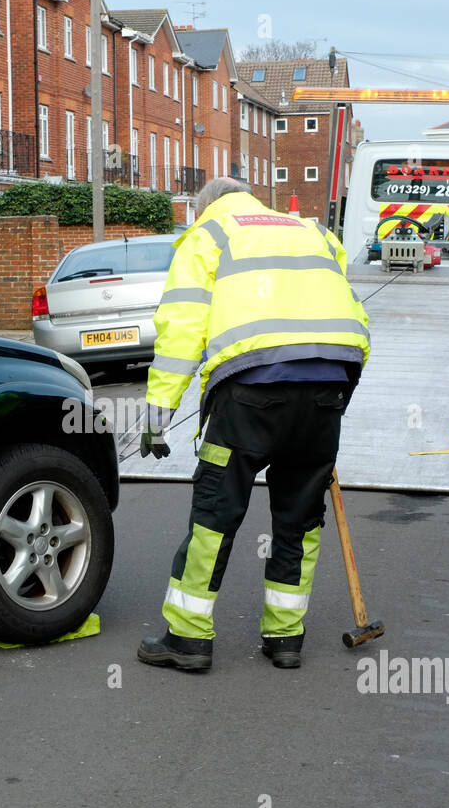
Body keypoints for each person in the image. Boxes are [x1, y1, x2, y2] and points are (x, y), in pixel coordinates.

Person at [136, 177, 371, 672]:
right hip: (326, 384)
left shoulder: (209, 234)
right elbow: (348, 314)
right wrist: (337, 398)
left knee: (215, 516)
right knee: (300, 520)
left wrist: (159, 414)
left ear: (203, 207)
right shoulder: (312, 232)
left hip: (251, 393)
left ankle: (188, 638)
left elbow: (182, 327)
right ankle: (285, 638)